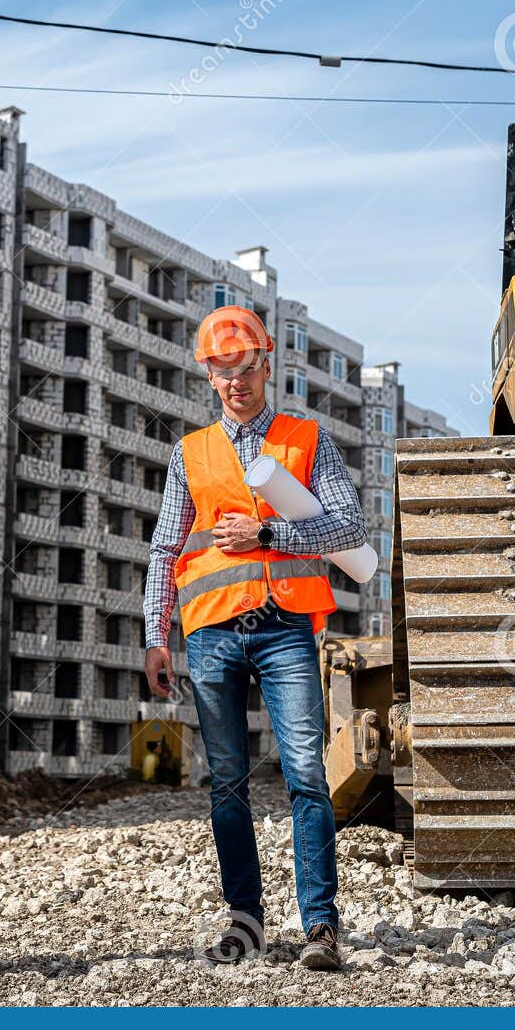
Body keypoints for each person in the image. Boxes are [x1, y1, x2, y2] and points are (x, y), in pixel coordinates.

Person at [141, 305, 367, 970]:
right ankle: (246, 925)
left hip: (284, 627)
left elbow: (349, 530)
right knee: (228, 785)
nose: (235, 381)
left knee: (305, 775)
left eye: (245, 367)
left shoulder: (304, 438)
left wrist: (269, 534)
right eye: (221, 370)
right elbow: (164, 550)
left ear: (266, 363)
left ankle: (320, 928)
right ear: (209, 375)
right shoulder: (190, 453)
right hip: (211, 632)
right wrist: (155, 633)